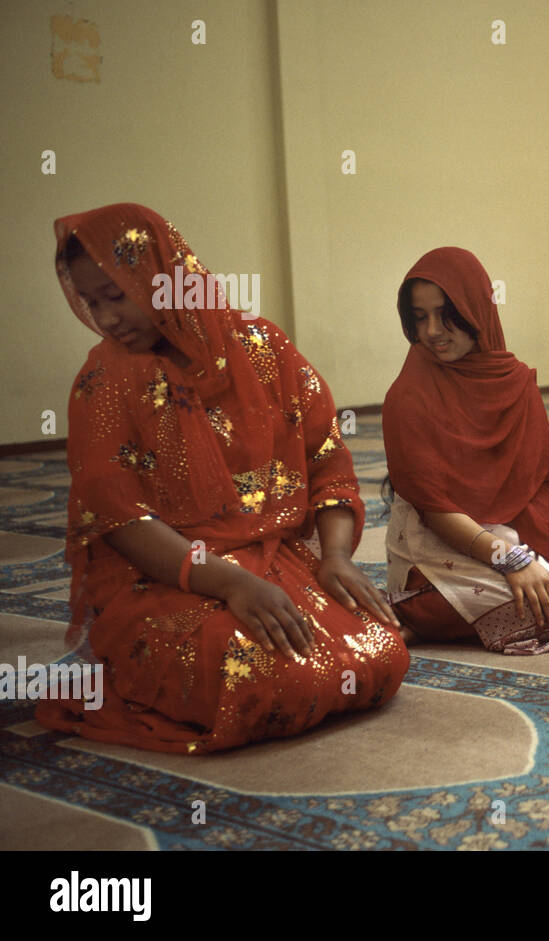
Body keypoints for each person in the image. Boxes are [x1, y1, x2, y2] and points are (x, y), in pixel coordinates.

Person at [36, 203, 409, 754]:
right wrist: (230, 583)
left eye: (117, 295)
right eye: (93, 302)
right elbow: (120, 518)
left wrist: (335, 558)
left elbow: (325, 457)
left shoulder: (262, 349)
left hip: (275, 565)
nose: (107, 317)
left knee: (382, 654)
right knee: (265, 675)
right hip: (171, 577)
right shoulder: (104, 380)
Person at [382, 247, 549, 655]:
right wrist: (507, 559)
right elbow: (436, 510)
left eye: (446, 314)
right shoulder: (407, 396)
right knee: (539, 597)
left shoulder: (514, 382)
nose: (433, 331)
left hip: (510, 542)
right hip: (435, 562)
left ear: (476, 311)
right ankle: (425, 616)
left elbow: (545, 483)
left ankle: (455, 624)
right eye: (420, 318)